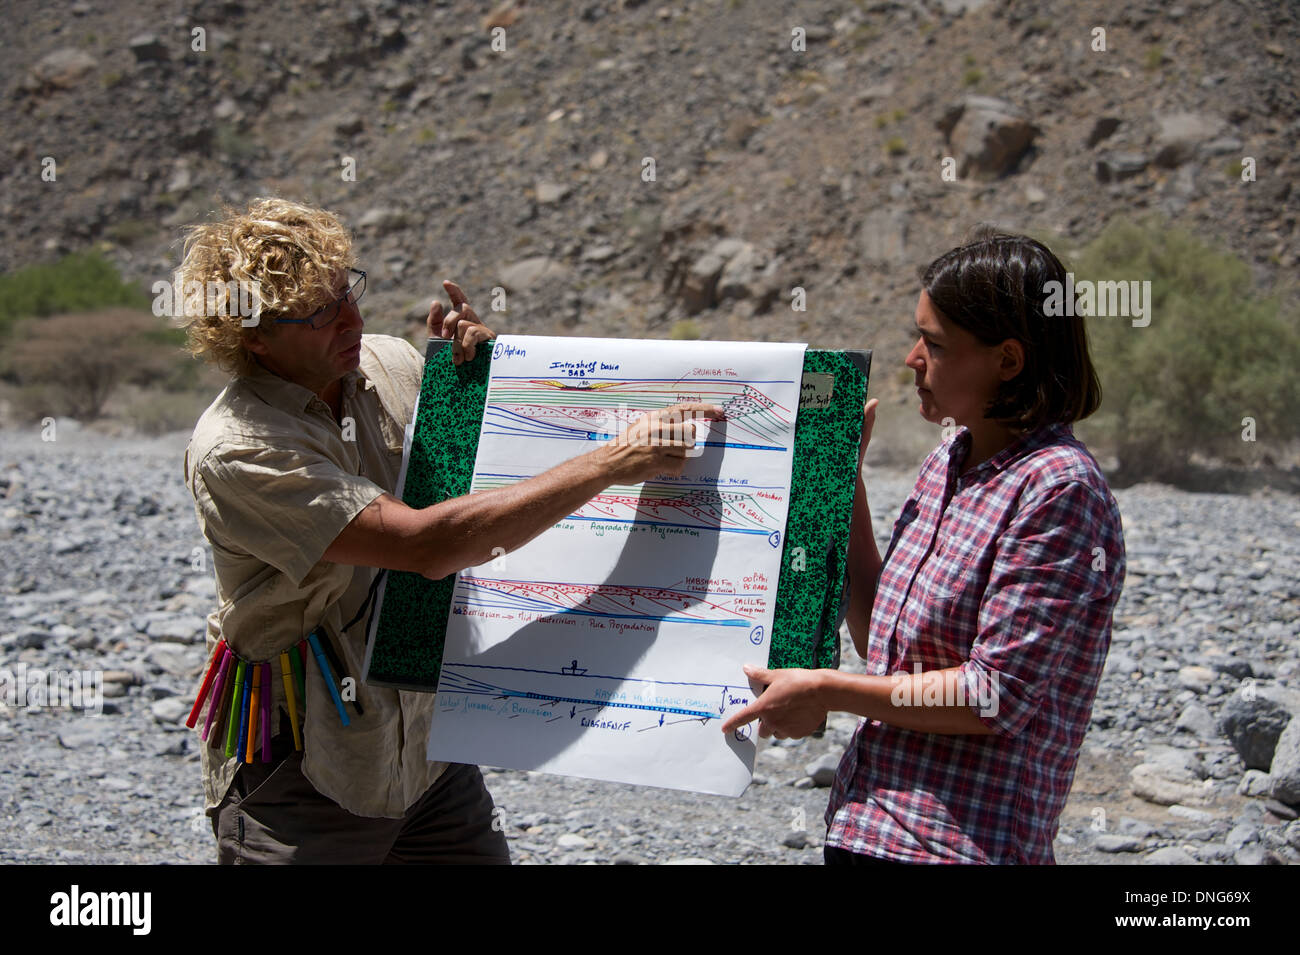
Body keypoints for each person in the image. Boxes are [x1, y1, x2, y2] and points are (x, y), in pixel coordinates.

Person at [178, 197, 720, 864]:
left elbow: (479, 476)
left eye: (347, 289)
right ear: (253, 336)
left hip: (430, 748)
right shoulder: (240, 448)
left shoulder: (389, 364)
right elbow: (424, 545)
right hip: (308, 755)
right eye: (320, 313)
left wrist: (484, 379)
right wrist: (611, 461)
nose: (353, 317)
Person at [722, 228, 1126, 864]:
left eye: (934, 344)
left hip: (960, 847)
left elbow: (991, 696)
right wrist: (843, 482)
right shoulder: (950, 456)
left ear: (1009, 361)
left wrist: (824, 689)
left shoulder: (1058, 489)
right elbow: (884, 646)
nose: (911, 357)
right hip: (868, 829)